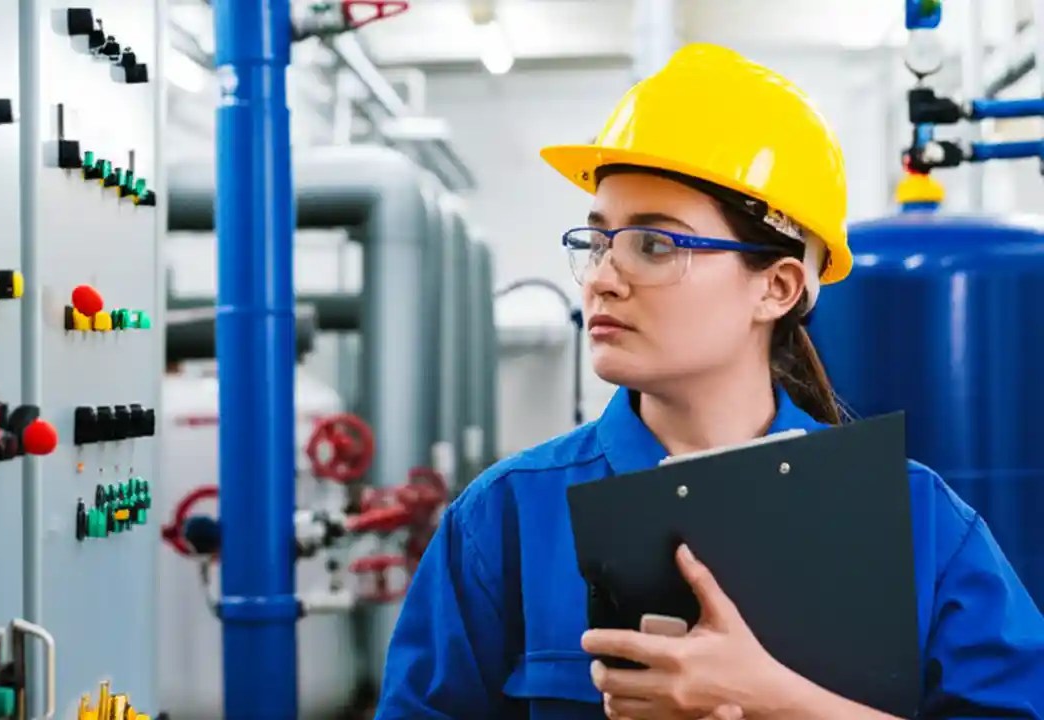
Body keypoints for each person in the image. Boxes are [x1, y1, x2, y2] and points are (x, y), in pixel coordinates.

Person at [373, 43, 1044, 720]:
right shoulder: (504, 521)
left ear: (777, 287)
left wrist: (776, 702)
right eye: (598, 241)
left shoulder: (918, 523)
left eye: (655, 245)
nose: (603, 277)